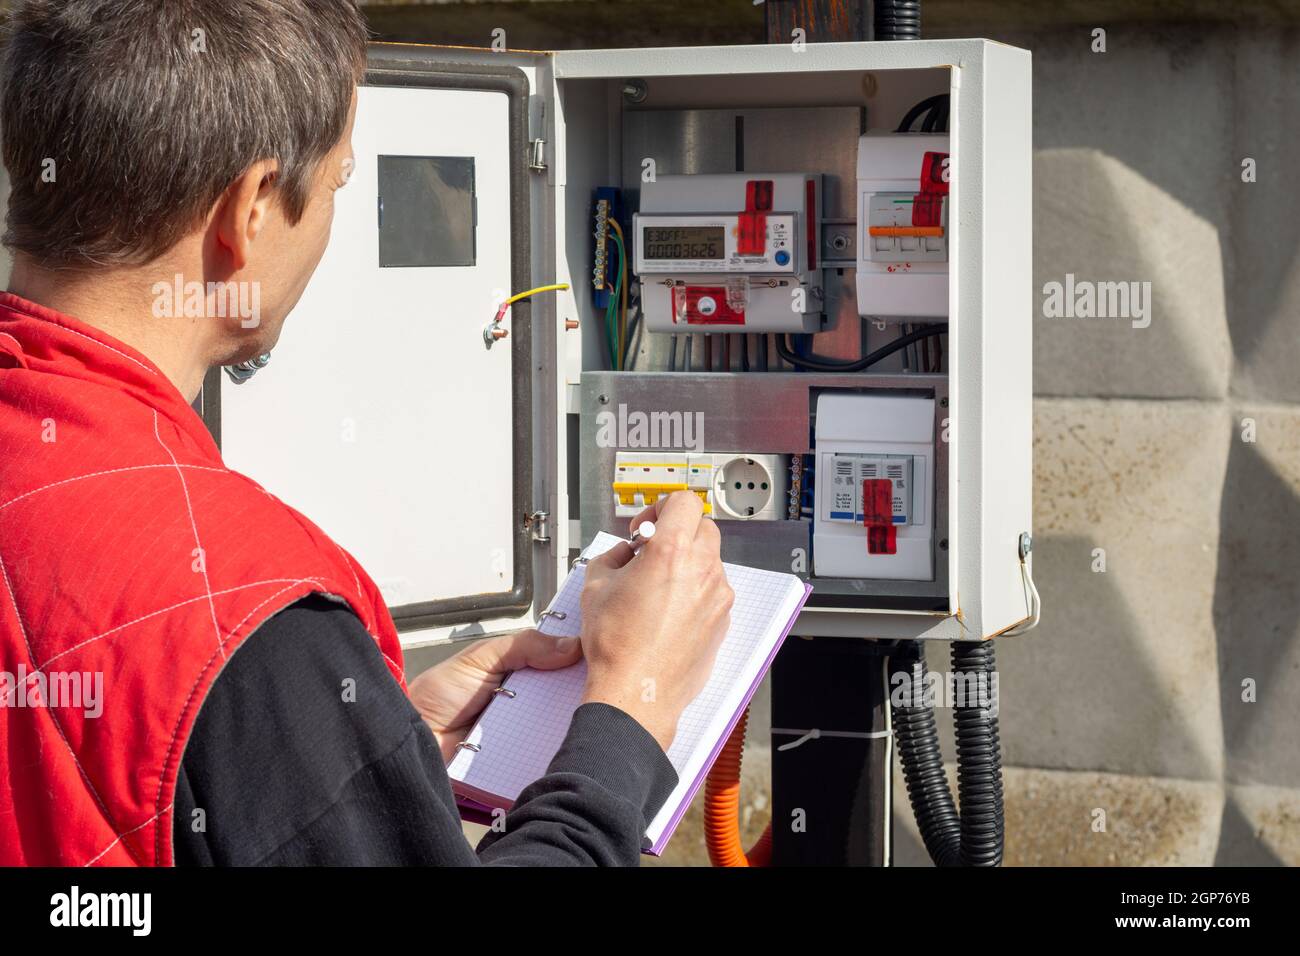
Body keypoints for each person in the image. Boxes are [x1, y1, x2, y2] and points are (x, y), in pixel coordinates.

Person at [0, 0, 733, 866]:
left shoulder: (259, 651)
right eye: (343, 182)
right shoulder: (249, 613)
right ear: (253, 209)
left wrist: (377, 744)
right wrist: (628, 715)